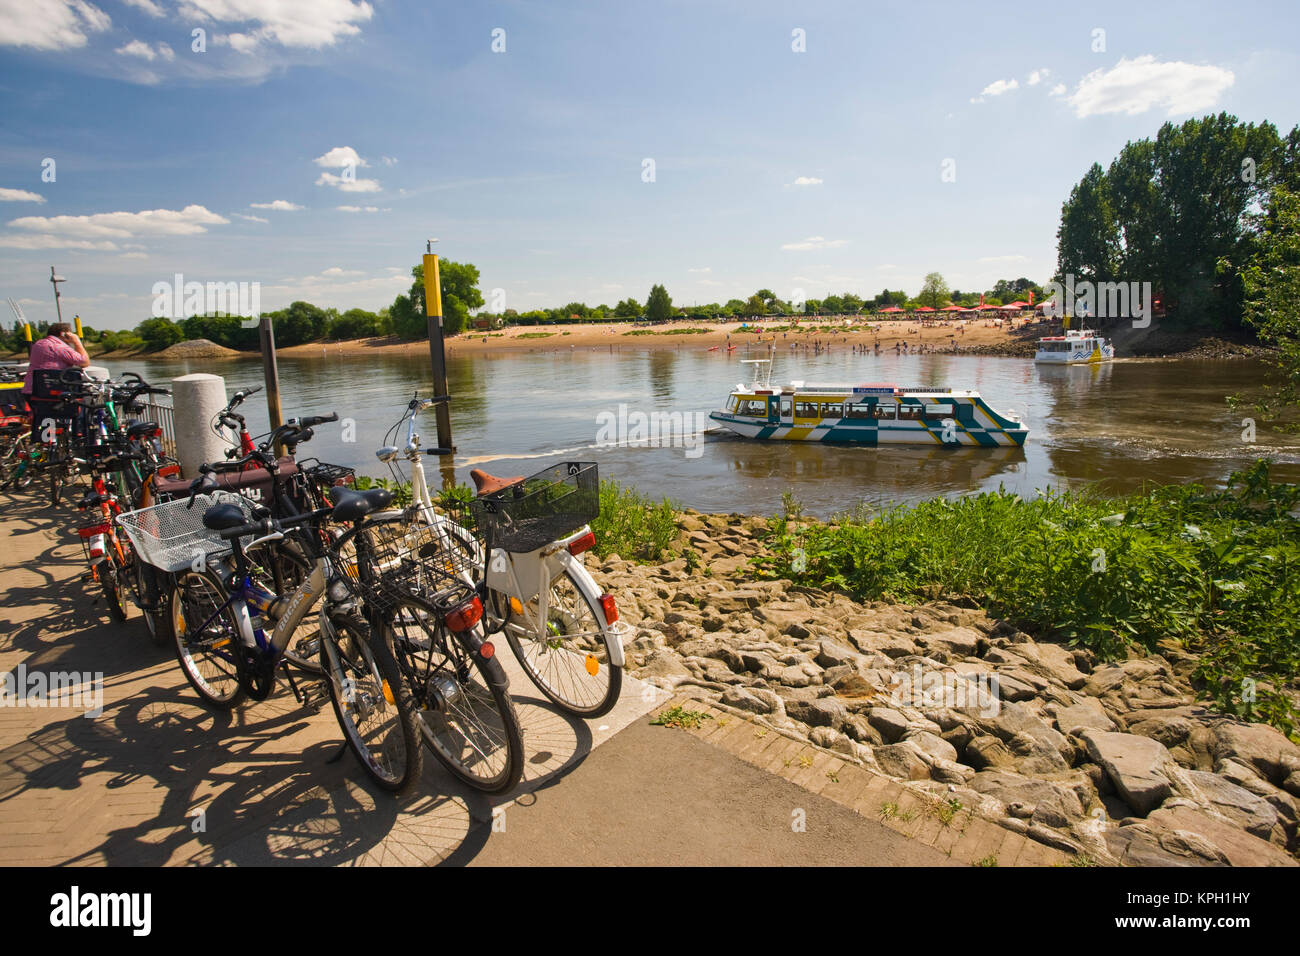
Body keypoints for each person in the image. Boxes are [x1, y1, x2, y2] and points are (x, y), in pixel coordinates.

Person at [22, 323, 90, 439]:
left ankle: (45, 442)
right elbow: (84, 362)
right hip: (54, 395)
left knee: (44, 416)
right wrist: (77, 341)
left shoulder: (38, 344)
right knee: (83, 407)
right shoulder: (58, 346)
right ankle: (78, 439)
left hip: (33, 393)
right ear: (64, 334)